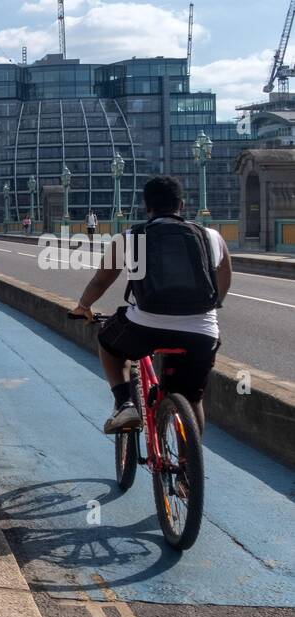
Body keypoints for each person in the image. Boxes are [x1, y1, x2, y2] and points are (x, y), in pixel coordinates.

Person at [71, 175, 231, 436]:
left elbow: (101, 282)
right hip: (201, 331)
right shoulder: (210, 236)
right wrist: (211, 307)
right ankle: (190, 465)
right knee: (192, 399)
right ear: (181, 205)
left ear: (147, 207)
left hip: (145, 325)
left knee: (108, 342)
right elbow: (223, 278)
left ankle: (125, 403)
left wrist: (83, 306)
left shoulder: (131, 238)